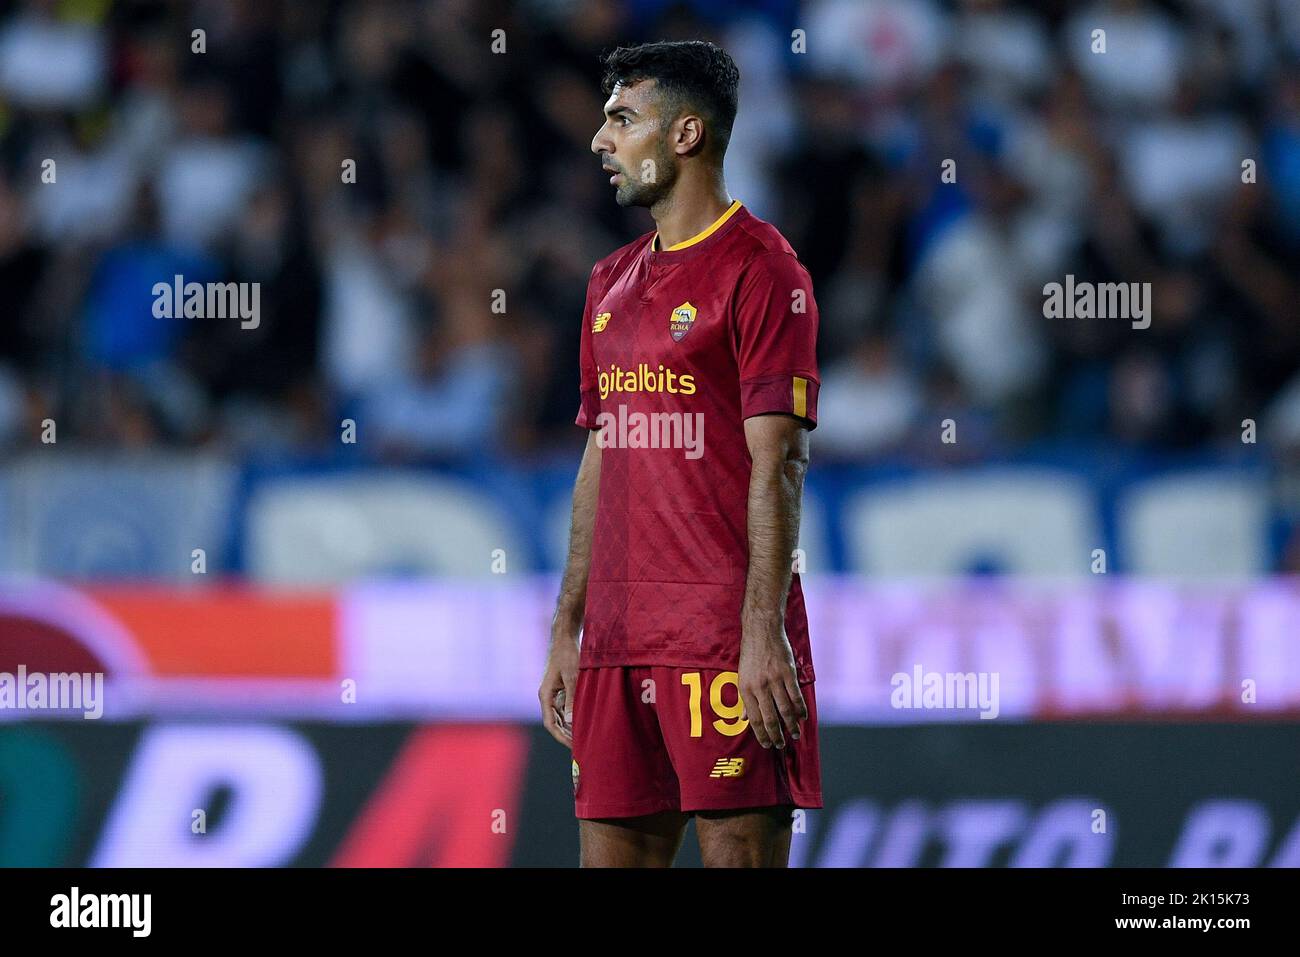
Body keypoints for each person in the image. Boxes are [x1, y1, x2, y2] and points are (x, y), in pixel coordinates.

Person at [538, 39, 822, 867]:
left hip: (721, 645)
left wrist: (762, 632)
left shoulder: (766, 271)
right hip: (617, 646)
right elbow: (603, 454)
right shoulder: (608, 283)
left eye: (622, 120)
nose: (601, 141)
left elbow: (780, 464)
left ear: (687, 135)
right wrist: (569, 626)